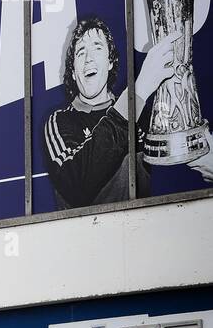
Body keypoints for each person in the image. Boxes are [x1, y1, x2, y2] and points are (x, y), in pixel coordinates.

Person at [44, 16, 212, 207]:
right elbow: (75, 183)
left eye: (97, 48)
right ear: (73, 73)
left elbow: (181, 170)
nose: (88, 58)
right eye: (80, 53)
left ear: (109, 62)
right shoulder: (60, 120)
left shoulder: (145, 115)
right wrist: (138, 92)